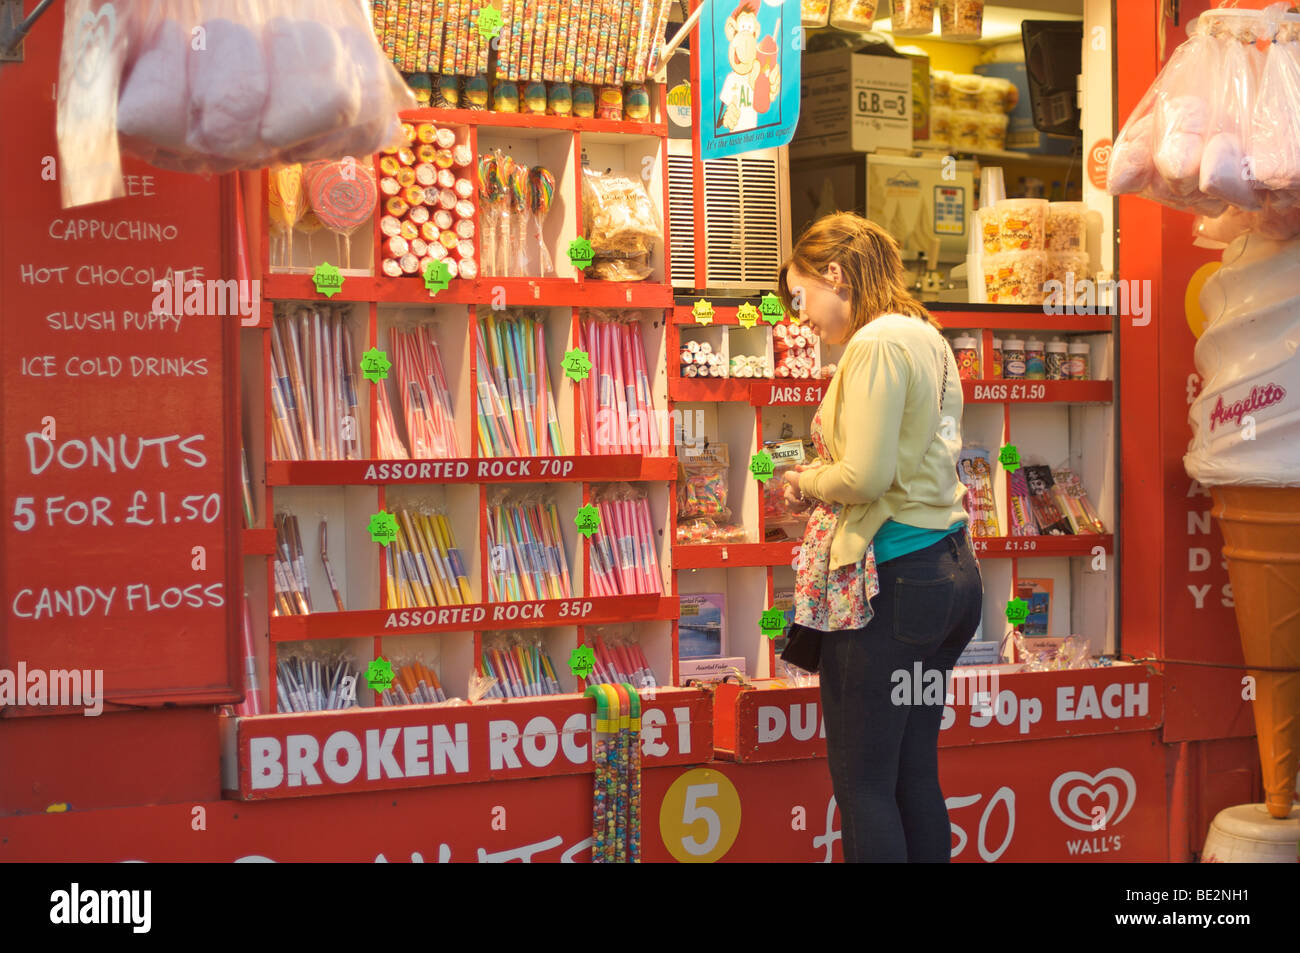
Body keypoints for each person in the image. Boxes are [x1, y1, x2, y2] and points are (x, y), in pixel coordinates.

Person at [777, 213, 983, 863]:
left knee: (863, 782)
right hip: (947, 574)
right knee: (912, 771)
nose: (798, 315)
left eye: (800, 295)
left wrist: (803, 477)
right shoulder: (925, 334)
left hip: (890, 583)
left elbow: (865, 474)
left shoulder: (873, 344)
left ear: (834, 275)